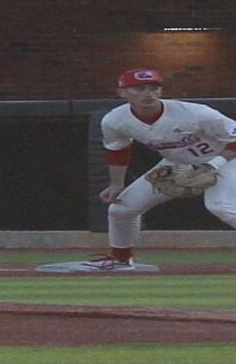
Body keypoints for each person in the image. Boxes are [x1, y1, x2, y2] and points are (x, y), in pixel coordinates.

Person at [73, 68, 236, 271]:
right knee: (122, 208)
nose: (148, 94)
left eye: (154, 88)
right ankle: (121, 258)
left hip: (225, 161)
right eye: (139, 89)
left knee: (221, 205)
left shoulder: (194, 113)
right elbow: (118, 150)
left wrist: (214, 165)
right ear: (122, 93)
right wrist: (116, 184)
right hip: (177, 164)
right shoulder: (115, 120)